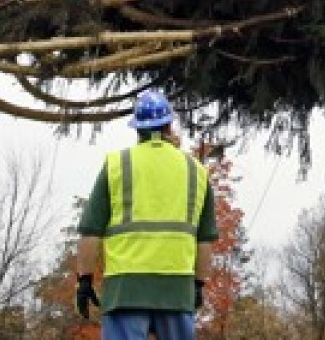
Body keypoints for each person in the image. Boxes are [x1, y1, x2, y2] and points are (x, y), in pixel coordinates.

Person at [74, 89, 219, 340]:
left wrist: (84, 282)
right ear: (169, 126)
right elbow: (204, 242)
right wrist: (197, 285)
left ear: (137, 128)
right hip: (177, 289)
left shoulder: (117, 165)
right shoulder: (196, 171)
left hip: (125, 290)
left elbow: (90, 233)